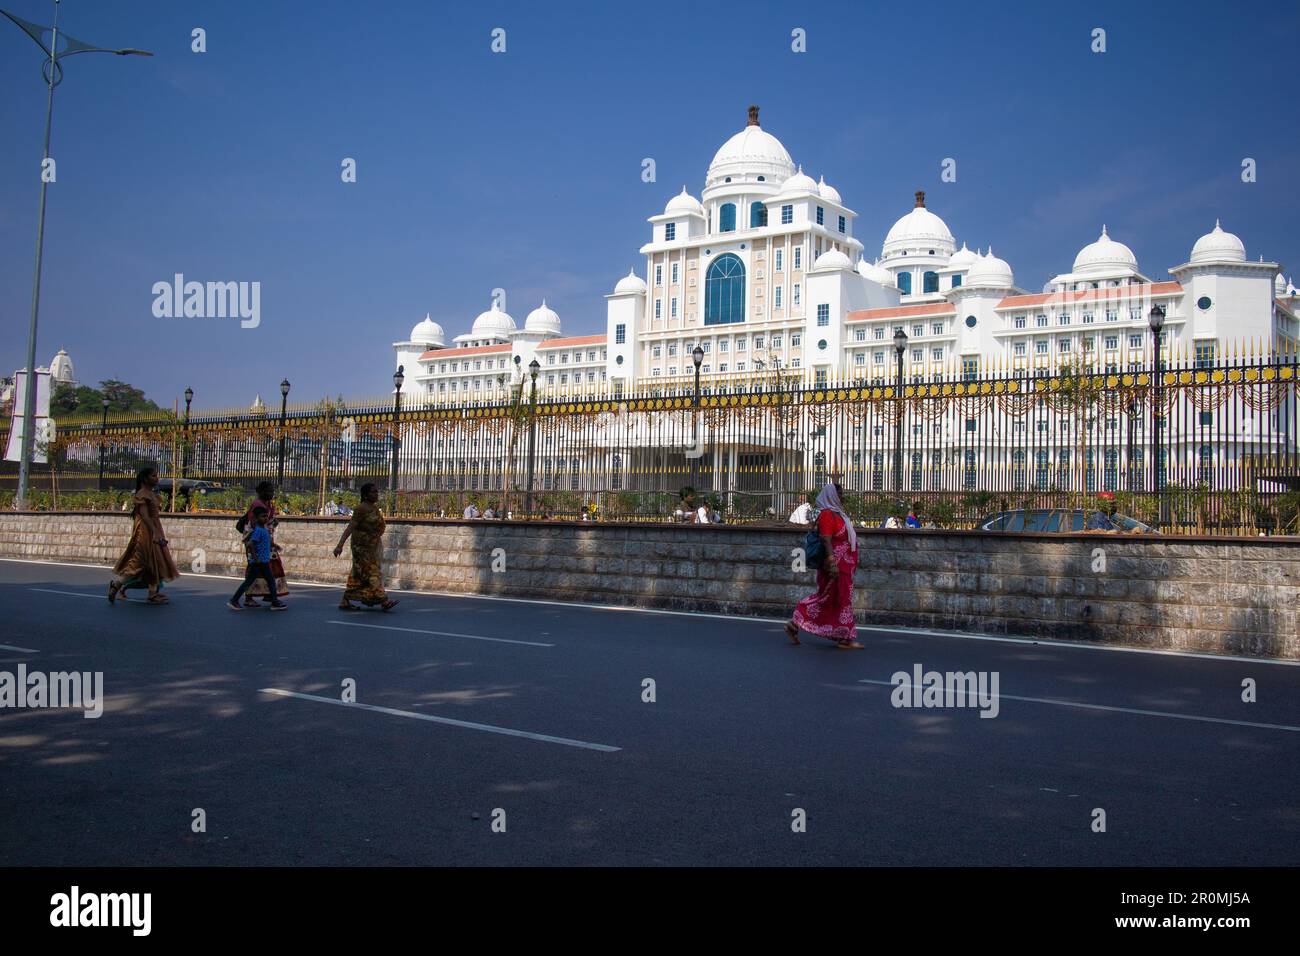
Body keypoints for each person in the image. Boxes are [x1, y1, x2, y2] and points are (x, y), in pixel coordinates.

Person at [785, 481, 862, 649]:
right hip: (835, 566)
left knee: (839, 599)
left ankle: (842, 636)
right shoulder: (827, 514)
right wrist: (832, 562)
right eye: (839, 494)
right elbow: (826, 539)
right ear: (831, 495)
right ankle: (843, 637)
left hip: (844, 566)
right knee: (830, 597)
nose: (842, 497)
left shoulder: (839, 514)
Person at [108, 466, 180, 605]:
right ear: (145, 478)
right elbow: (145, 516)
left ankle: (152, 594)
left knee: (155, 562)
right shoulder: (142, 494)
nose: (157, 478)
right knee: (139, 563)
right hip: (145, 532)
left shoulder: (152, 494)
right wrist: (154, 532)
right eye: (153, 476)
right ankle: (117, 585)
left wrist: (157, 532)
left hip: (153, 529)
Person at [334, 482, 398, 611]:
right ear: (365, 495)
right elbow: (350, 528)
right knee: (372, 572)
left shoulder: (374, 508)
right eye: (373, 492)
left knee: (358, 573)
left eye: (376, 492)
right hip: (361, 547)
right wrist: (339, 546)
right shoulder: (361, 509)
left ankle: (345, 600)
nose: (376, 494)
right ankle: (384, 600)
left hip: (371, 546)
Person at [239, 481, 287, 607]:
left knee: (272, 565)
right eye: (269, 491)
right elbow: (254, 524)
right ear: (261, 492)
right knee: (254, 568)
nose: (271, 494)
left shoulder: (269, 505)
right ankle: (248, 597)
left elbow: (269, 523)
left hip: (265, 540)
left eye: (272, 491)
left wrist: (271, 541)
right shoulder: (257, 505)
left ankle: (269, 594)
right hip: (255, 540)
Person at [228, 507, 287, 611]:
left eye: (266, 516)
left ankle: (274, 601)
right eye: (263, 516)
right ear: (256, 518)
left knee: (270, 581)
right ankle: (234, 600)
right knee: (251, 582)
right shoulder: (258, 531)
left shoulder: (264, 530)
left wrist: (275, 546)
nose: (265, 518)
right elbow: (251, 544)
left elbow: (267, 542)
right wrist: (256, 558)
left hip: (263, 562)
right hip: (258, 563)